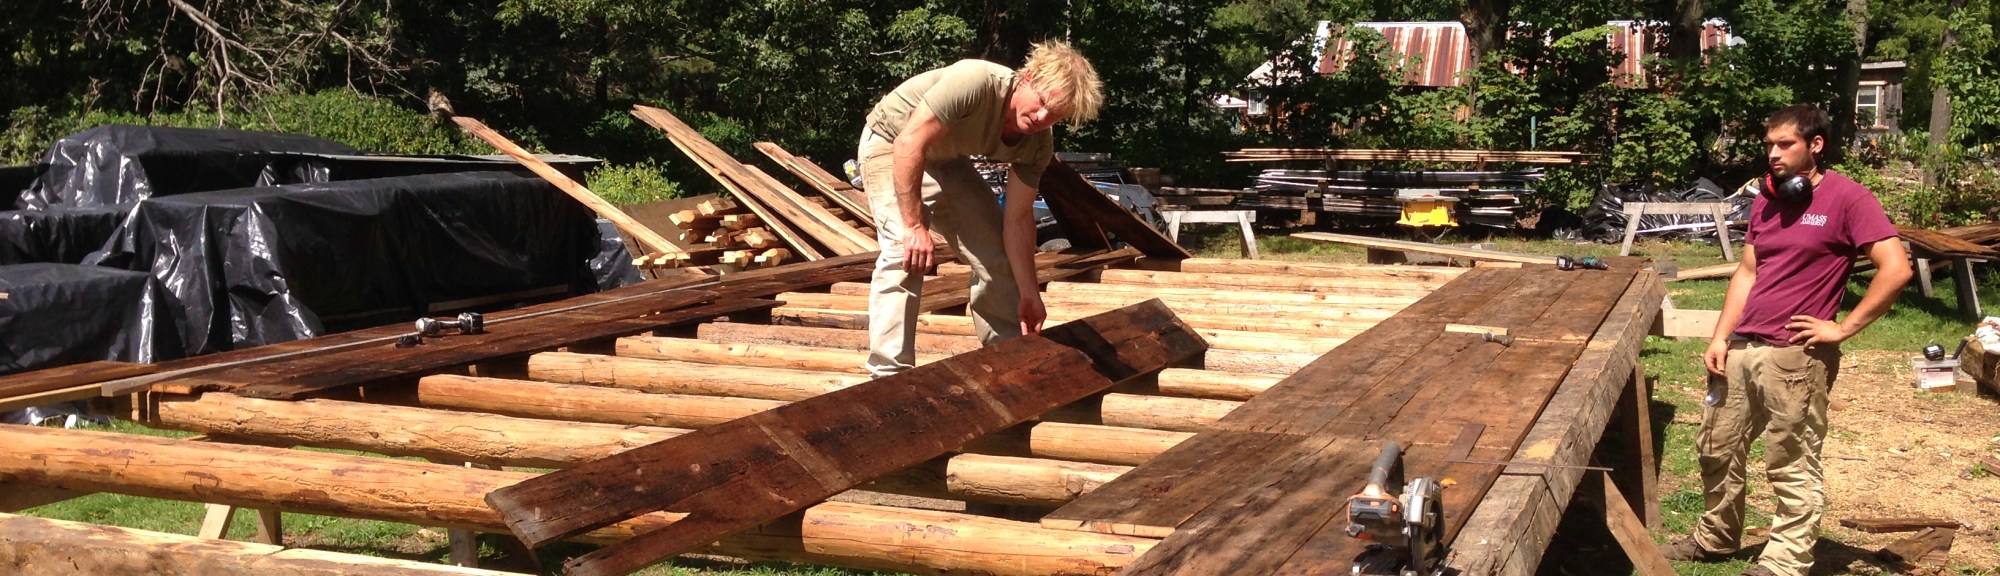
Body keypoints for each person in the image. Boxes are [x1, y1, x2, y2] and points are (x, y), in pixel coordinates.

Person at [1662, 104, 1912, 576]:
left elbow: (1896, 269)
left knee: (1789, 457)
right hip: (1743, 346)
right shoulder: (1767, 199)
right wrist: (1721, 336)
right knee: (1715, 445)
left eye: (1785, 145)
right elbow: (1749, 271)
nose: (1773, 154)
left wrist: (1841, 328)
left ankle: (1784, 561)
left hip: (1797, 355)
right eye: (1769, 144)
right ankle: (1716, 536)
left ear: (1815, 145)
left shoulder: (1849, 198)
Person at [855, 40, 1103, 378]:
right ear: (1027, 77)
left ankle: (1009, 358)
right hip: (891, 143)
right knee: (904, 252)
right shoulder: (976, 81)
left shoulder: (1038, 144)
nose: (1043, 117)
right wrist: (914, 227)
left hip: (947, 159)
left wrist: (1029, 293)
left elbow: (1016, 219)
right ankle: (889, 375)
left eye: (1057, 115)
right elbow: (909, 143)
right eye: (1043, 102)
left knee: (996, 254)